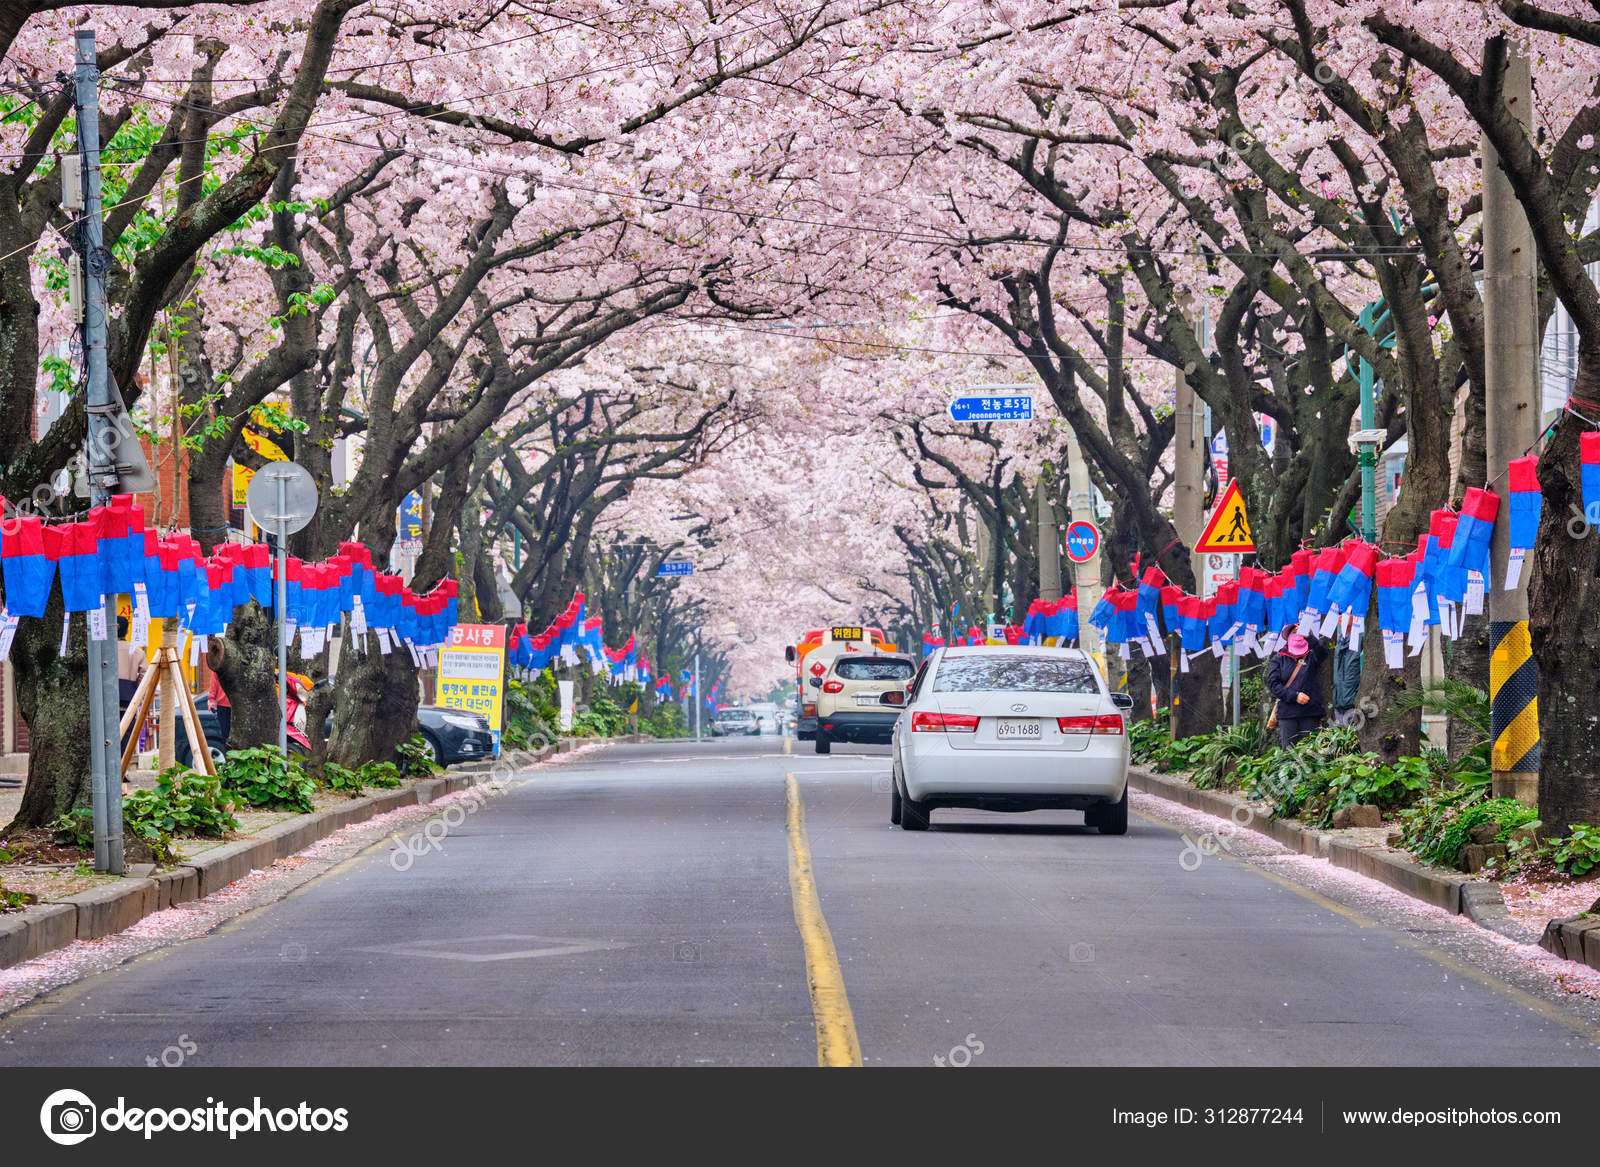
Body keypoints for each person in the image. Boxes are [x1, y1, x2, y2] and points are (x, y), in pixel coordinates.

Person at [1266, 628, 1328, 748]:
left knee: (1310, 752)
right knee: (1289, 754)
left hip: (1310, 713)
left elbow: (1323, 653)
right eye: (1294, 632)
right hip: (1287, 714)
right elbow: (1273, 684)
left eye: (1300, 632)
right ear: (1288, 636)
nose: (1297, 635)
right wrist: (1294, 696)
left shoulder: (1312, 656)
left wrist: (1309, 636)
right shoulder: (1279, 658)